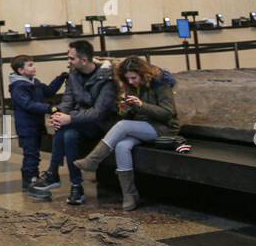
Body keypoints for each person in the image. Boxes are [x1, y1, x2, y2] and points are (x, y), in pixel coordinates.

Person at [75, 56, 180, 210]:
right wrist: (125, 108)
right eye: (127, 78)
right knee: (122, 146)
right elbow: (130, 115)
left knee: (122, 126)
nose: (131, 82)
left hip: (163, 128)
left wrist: (142, 105)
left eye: (133, 78)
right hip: (142, 126)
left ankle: (93, 160)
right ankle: (130, 195)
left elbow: (168, 113)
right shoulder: (130, 85)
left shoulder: (160, 83)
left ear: (143, 74)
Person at [29, 40, 117, 205]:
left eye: (71, 58)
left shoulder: (106, 79)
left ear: (83, 60)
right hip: (78, 123)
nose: (68, 61)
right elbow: (67, 101)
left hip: (100, 125)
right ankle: (75, 185)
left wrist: (69, 118)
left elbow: (99, 112)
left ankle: (54, 174)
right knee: (68, 134)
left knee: (67, 128)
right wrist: (58, 115)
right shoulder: (73, 75)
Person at [8, 55, 65, 191]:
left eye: (33, 64)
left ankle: (33, 176)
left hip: (37, 125)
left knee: (35, 153)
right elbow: (28, 104)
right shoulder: (18, 87)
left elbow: (49, 91)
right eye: (30, 65)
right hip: (26, 127)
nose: (34, 67)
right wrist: (49, 108)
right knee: (31, 154)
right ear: (21, 70)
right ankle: (29, 180)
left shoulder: (34, 82)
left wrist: (60, 78)